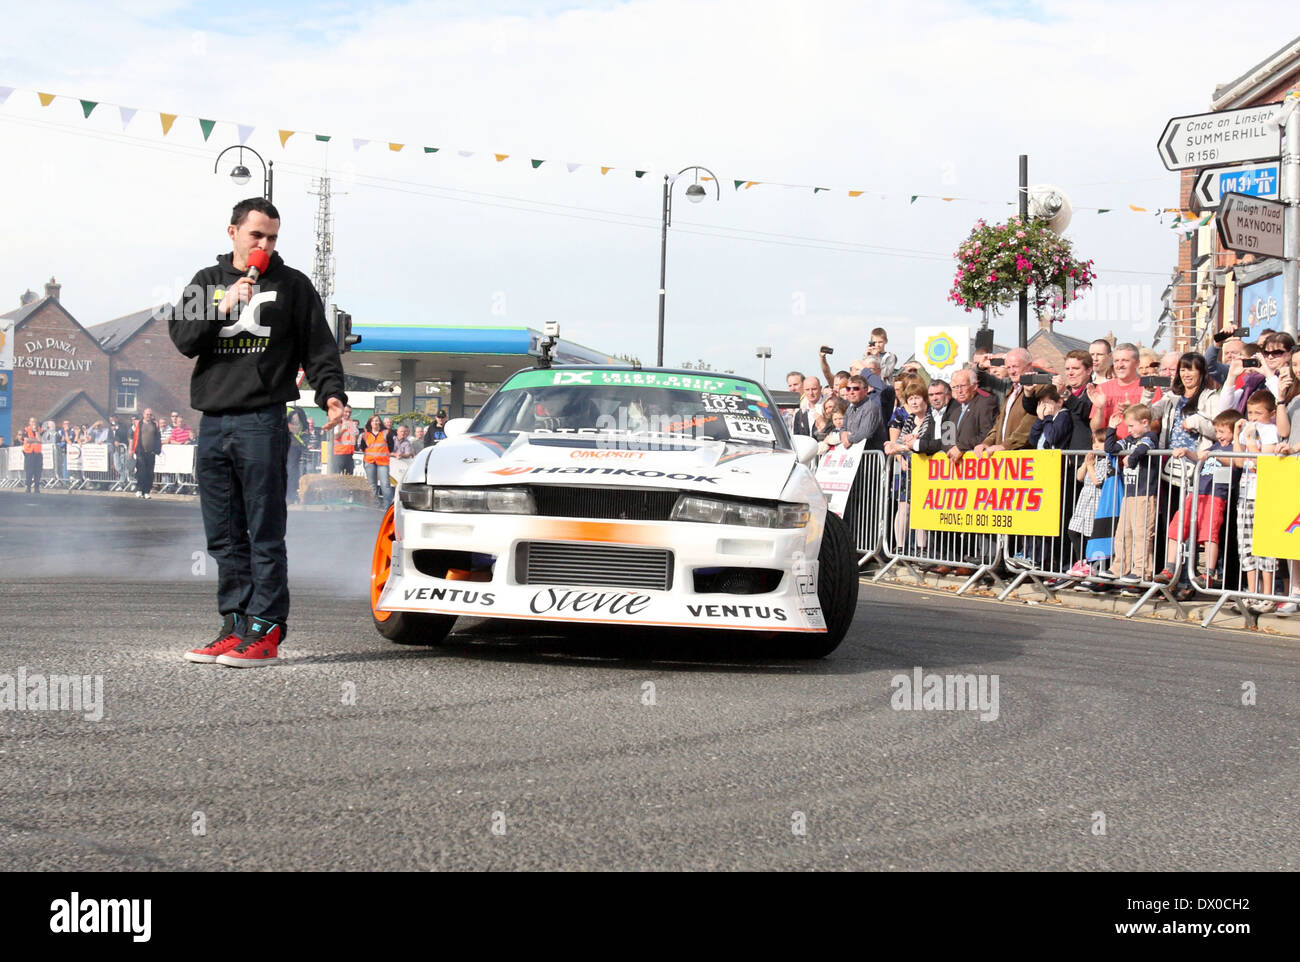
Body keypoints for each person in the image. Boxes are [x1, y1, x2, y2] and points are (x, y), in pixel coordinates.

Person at [170, 196, 348, 667]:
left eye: (271, 237)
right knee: (223, 535)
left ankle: (266, 629)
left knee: (264, 530)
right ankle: (235, 623)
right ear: (232, 233)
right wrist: (223, 304)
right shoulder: (205, 282)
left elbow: (319, 349)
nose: (264, 245)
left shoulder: (292, 285)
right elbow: (183, 339)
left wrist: (331, 394)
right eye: (256, 236)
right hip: (213, 422)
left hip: (262, 421)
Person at [1160, 409, 1239, 596]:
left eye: (1222, 432)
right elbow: (1198, 456)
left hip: (1215, 496)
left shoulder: (1235, 448)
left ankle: (1209, 573)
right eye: (1217, 432)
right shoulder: (1214, 447)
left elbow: (1236, 462)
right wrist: (1187, 452)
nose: (1219, 436)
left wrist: (1215, 456)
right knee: (1176, 527)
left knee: (1208, 535)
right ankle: (1169, 568)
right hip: (1196, 493)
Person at [1226, 391, 1280, 612]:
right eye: (1250, 412)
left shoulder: (1270, 431)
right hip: (1246, 493)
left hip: (1264, 493)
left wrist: (1250, 439)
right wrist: (1239, 434)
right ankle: (1251, 591)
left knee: (1265, 547)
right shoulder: (1247, 430)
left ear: (1271, 414)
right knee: (1246, 545)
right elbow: (1239, 462)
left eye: (1259, 413)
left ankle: (1267, 594)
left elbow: (1263, 460)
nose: (1254, 417)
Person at [1102, 403, 1160, 589]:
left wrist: (1132, 459)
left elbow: (1143, 448)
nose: (1129, 430)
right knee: (1123, 533)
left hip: (1144, 494)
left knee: (1141, 533)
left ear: (1144, 422)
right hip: (1129, 494)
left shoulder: (1150, 436)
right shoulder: (1129, 439)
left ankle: (1142, 569)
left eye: (1132, 426)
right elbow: (1110, 448)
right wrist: (1112, 428)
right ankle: (1120, 566)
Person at [1089, 343, 1158, 439]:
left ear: (1137, 363)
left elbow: (1156, 426)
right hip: (1110, 450)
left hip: (1138, 450)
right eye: (1116, 361)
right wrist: (1100, 409)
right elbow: (1096, 430)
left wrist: (1132, 412)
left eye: (1125, 360)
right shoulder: (1102, 389)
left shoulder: (1150, 387)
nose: (1119, 365)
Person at [361, 414, 392, 508]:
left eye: (377, 420)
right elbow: (362, 447)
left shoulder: (386, 433)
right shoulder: (365, 435)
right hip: (369, 462)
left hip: (382, 462)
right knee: (372, 485)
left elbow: (391, 446)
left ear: (380, 422)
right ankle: (373, 505)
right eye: (373, 420)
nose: (375, 422)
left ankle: (387, 506)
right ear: (370, 423)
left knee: (385, 484)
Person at [131, 408, 161, 498]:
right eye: (147, 414)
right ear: (143, 414)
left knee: (149, 473)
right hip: (141, 451)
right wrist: (132, 449)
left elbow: (158, 438)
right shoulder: (138, 424)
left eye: (150, 414)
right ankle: (139, 489)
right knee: (141, 472)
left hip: (151, 452)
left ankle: (146, 491)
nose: (149, 416)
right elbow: (132, 437)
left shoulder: (155, 425)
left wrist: (157, 450)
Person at [332, 404, 357, 475]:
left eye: (350, 412)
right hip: (339, 454)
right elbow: (335, 436)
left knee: (349, 476)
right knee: (337, 476)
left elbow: (354, 438)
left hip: (349, 454)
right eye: (346, 412)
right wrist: (343, 429)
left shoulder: (352, 423)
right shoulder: (337, 422)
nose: (348, 414)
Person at [22, 417, 42, 493]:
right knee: (29, 470)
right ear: (29, 423)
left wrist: (36, 432)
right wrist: (36, 440)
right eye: (32, 422)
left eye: (35, 422)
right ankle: (28, 487)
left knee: (38, 471)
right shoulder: (26, 430)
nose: (34, 423)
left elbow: (40, 440)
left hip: (38, 453)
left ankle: (37, 487)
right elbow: (27, 440)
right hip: (29, 453)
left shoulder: (39, 430)